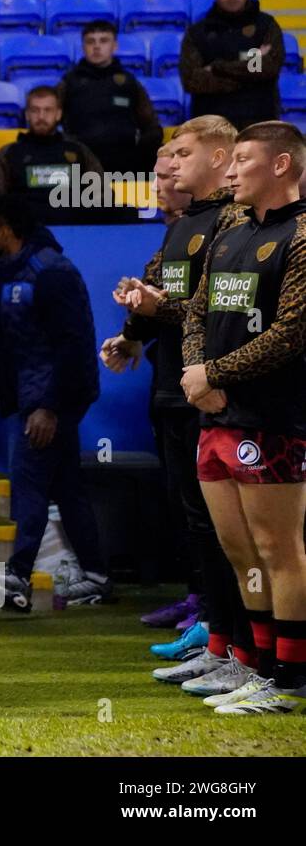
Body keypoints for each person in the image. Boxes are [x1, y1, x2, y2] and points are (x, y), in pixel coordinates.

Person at [102, 123, 256, 694]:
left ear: (219, 158)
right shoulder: (182, 227)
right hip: (177, 387)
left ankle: (248, 652)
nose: (167, 170)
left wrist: (167, 319)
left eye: (180, 157)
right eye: (166, 160)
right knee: (201, 523)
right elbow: (179, 302)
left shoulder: (232, 223)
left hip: (217, 394)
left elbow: (213, 311)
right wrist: (135, 327)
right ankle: (221, 640)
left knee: (236, 534)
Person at [181, 121, 306, 714]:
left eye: (244, 161)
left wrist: (216, 375)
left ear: (281, 166)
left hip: (274, 417)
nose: (230, 172)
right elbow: (196, 313)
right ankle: (252, 666)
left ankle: (289, 678)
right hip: (216, 416)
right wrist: (196, 377)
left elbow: (291, 334)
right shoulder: (230, 234)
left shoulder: (303, 234)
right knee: (239, 551)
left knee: (279, 549)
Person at [0, 194, 113, 612]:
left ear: (6, 229)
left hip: (55, 398)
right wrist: (0, 388)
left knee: (29, 481)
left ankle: (17, 579)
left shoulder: (53, 273)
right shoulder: (8, 271)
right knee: (67, 487)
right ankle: (95, 576)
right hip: (34, 393)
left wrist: (50, 407)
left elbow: (73, 348)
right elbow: (13, 341)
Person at [181, 0, 285, 130]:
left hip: (259, 125)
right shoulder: (198, 33)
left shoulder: (266, 26)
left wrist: (217, 66)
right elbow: (192, 80)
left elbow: (267, 68)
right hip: (211, 128)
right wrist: (249, 65)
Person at [0, 86, 105, 215]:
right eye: (35, 110)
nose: (41, 117)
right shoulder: (9, 153)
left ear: (58, 114)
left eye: (48, 110)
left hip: (72, 226)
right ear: (27, 114)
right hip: (24, 227)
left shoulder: (78, 151)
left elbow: (101, 192)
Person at [57, 20, 163, 174]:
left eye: (104, 40)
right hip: (81, 164)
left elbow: (151, 125)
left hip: (126, 163)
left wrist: (139, 149)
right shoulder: (68, 83)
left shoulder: (129, 82)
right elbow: (48, 119)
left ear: (115, 46)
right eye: (90, 41)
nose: (97, 46)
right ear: (83, 47)